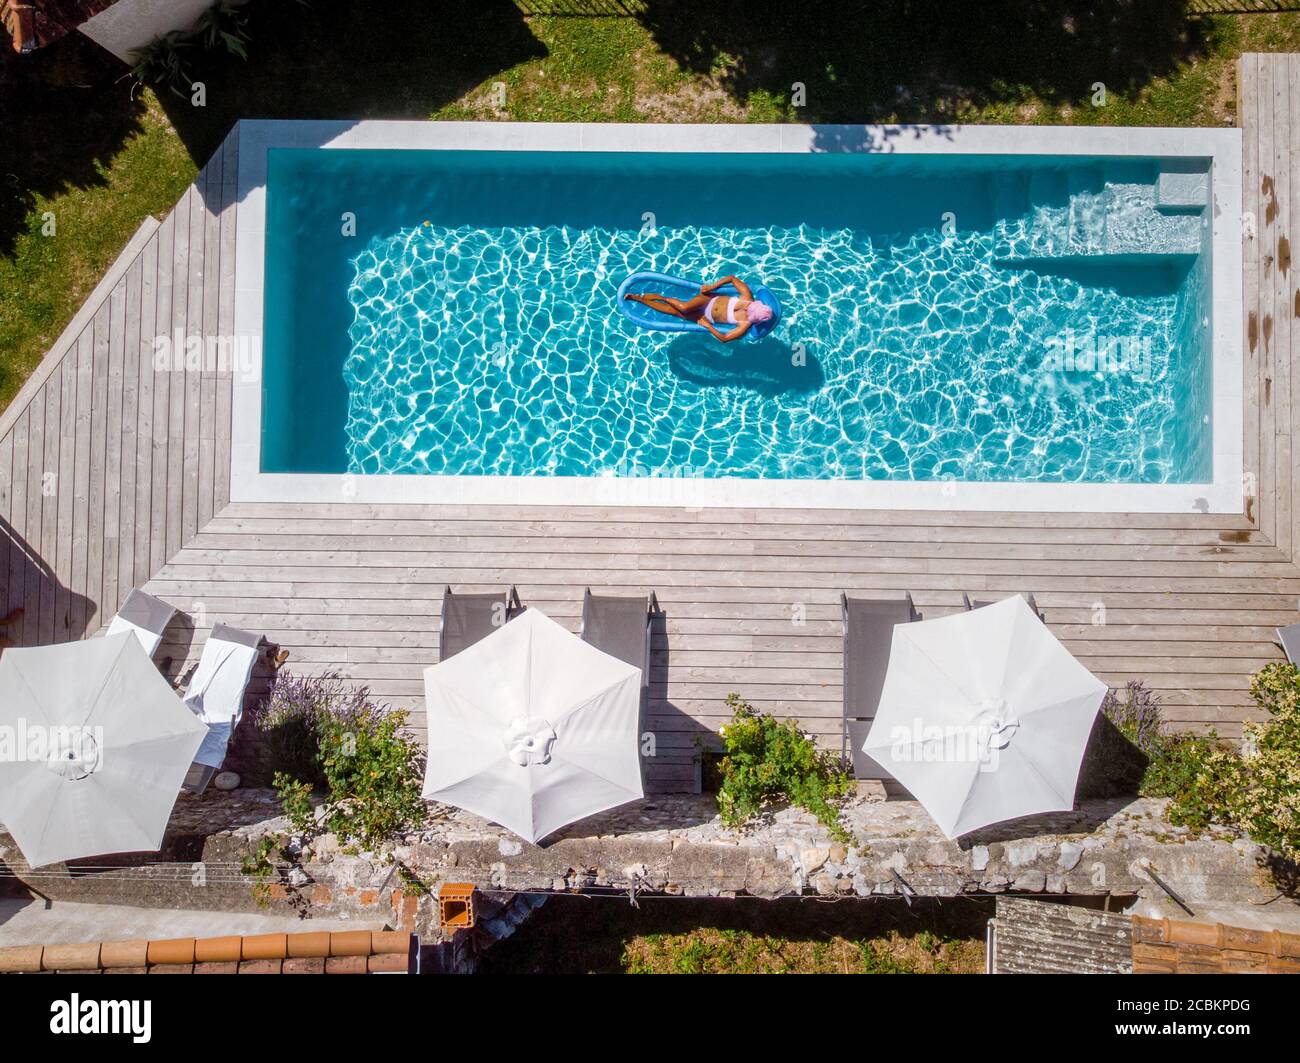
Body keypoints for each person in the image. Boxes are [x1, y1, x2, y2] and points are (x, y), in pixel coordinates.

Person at [624, 274, 772, 343]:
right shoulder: (747, 297)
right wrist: (713, 286)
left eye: (750, 313)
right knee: (684, 307)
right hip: (707, 300)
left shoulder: (745, 324)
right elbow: (732, 278)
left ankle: (638, 299)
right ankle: (661, 297)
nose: (747, 310)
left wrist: (708, 326)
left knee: (670, 311)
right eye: (750, 308)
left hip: (705, 318)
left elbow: (724, 338)